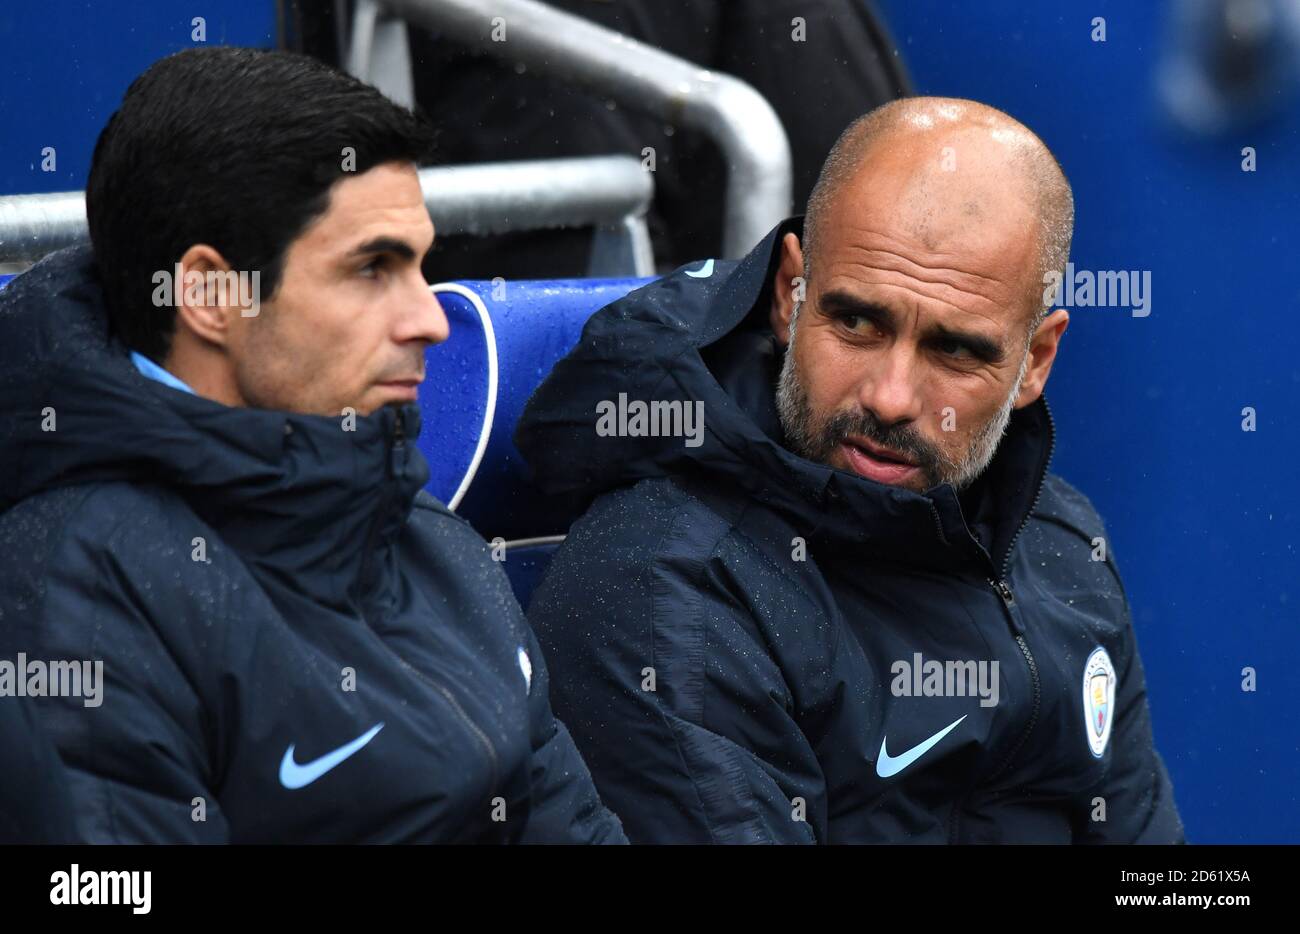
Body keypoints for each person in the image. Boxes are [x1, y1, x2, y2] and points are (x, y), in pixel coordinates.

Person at [0, 46, 624, 844]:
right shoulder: (69, 601)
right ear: (208, 295)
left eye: (422, 267)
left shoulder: (423, 527)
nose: (430, 319)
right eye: (372, 270)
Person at [518, 97, 1184, 843]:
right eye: (858, 323)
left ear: (1035, 362)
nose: (891, 398)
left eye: (954, 350)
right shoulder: (663, 590)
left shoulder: (1060, 539)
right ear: (788, 295)